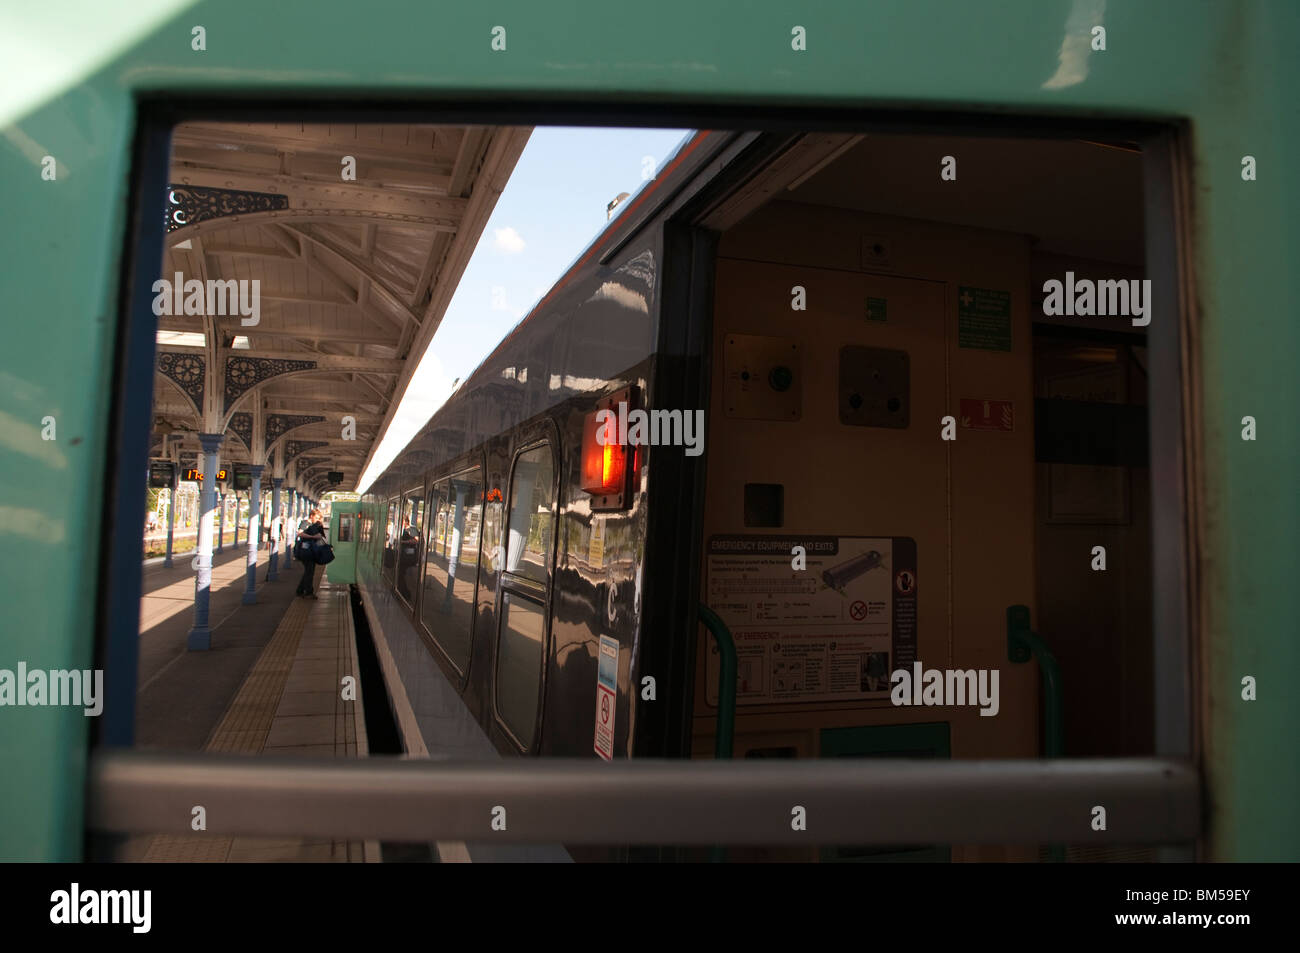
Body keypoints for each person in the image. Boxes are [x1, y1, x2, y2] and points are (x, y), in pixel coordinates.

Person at [296, 508, 326, 598]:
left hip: (310, 551)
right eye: (316, 517)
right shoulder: (305, 523)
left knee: (309, 571)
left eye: (318, 518)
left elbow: (321, 535)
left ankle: (300, 590)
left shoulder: (315, 525)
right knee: (309, 571)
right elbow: (300, 534)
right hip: (305, 551)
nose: (317, 520)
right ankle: (308, 592)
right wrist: (312, 537)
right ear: (311, 516)